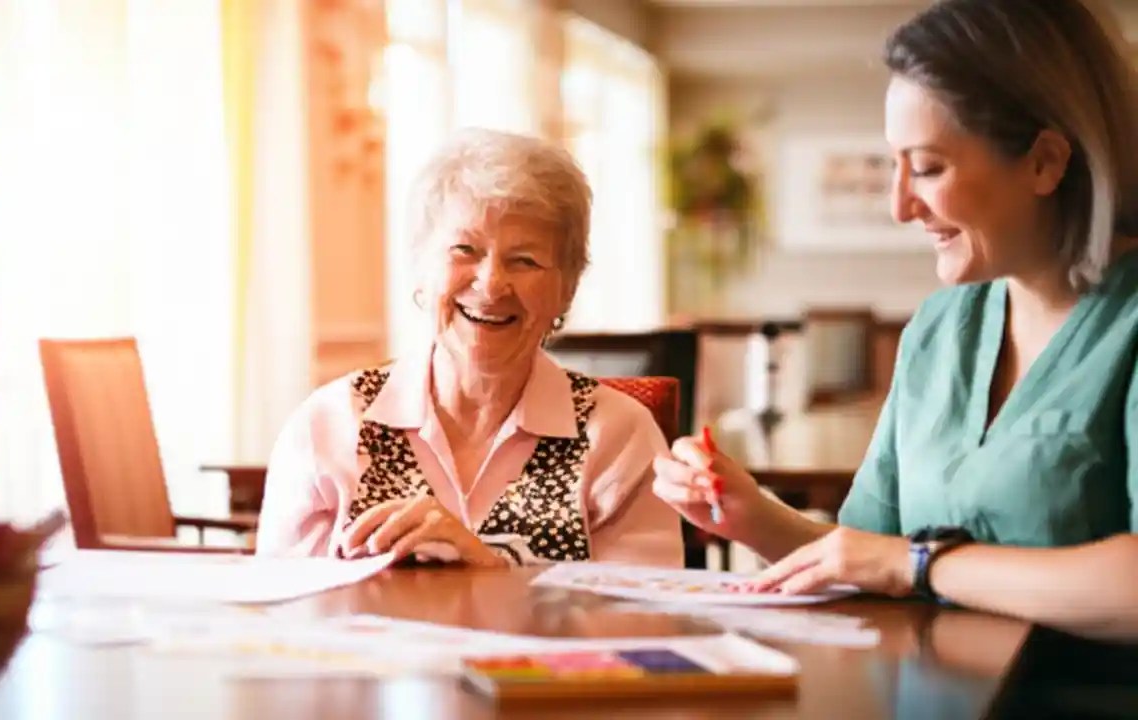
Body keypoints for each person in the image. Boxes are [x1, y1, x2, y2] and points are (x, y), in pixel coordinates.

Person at [654, 0, 1138, 639]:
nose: (900, 205)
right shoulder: (940, 330)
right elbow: (872, 550)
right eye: (895, 165)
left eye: (929, 167)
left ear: (1045, 161)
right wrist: (751, 516)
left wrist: (920, 563)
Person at [257, 128, 683, 568]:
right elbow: (285, 614)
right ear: (421, 268)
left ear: (567, 289)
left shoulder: (618, 437)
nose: (492, 284)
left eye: (525, 261)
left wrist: (490, 570)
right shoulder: (328, 427)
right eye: (465, 249)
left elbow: (641, 618)